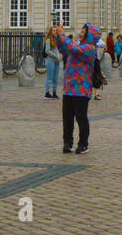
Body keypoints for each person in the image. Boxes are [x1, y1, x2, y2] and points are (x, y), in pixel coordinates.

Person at [53, 22, 99, 154]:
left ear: (90, 35)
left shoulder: (90, 49)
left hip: (81, 90)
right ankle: (68, 143)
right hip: (69, 88)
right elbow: (64, 49)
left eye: (84, 31)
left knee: (81, 117)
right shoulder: (78, 45)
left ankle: (83, 144)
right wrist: (57, 37)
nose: (81, 32)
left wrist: (62, 34)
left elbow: (72, 48)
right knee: (67, 118)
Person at [43, 25, 62, 99]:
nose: (54, 32)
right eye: (53, 30)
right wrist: (55, 55)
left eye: (55, 30)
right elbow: (47, 50)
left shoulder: (58, 39)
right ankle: (47, 93)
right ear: (51, 31)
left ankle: (54, 92)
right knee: (49, 77)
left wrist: (60, 56)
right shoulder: (48, 40)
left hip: (57, 60)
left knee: (55, 78)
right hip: (50, 60)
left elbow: (59, 49)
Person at [93, 31, 107, 100]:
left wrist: (95, 44)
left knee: (98, 76)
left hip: (95, 59)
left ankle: (96, 94)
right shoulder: (84, 38)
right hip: (87, 59)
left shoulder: (96, 38)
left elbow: (103, 44)